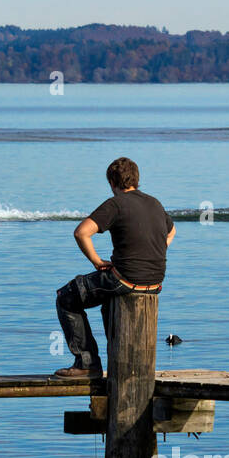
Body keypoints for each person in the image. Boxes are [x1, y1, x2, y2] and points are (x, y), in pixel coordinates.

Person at [53, 156, 175, 378]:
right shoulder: (154, 203)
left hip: (125, 279)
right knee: (108, 300)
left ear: (112, 182)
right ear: (136, 180)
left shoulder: (116, 204)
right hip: (155, 282)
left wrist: (97, 262)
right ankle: (121, 362)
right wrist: (156, 250)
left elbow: (81, 232)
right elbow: (172, 231)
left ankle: (86, 363)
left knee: (66, 297)